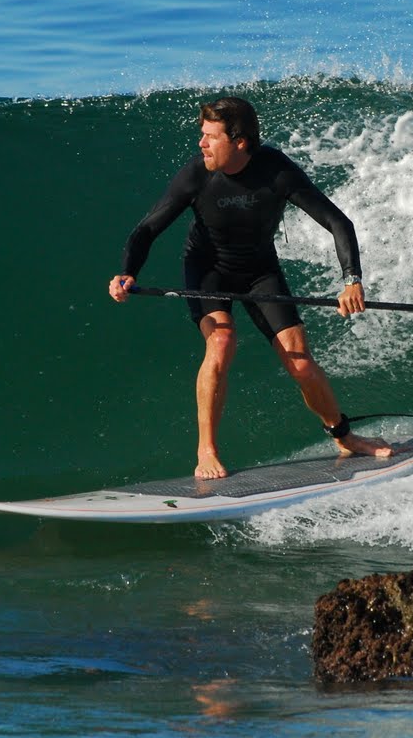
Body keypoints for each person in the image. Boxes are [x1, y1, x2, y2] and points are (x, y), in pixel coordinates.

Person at [108, 96, 394, 480]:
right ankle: (206, 451)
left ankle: (344, 437)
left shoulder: (276, 171)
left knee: (300, 360)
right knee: (221, 341)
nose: (202, 144)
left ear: (239, 141)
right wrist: (127, 272)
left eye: (211, 136)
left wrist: (351, 281)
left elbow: (337, 222)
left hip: (260, 271)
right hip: (208, 269)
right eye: (202, 135)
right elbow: (147, 228)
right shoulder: (196, 175)